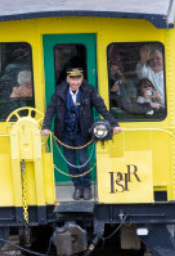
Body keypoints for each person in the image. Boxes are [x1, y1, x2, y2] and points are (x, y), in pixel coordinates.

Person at [41, 68, 121, 201]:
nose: (75, 82)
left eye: (78, 79)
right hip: (65, 133)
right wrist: (45, 127)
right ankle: (77, 187)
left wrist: (114, 124)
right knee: (71, 162)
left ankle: (86, 186)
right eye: (72, 79)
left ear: (82, 79)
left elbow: (101, 108)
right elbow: (50, 110)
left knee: (84, 161)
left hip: (82, 133)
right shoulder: (59, 92)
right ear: (68, 80)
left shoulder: (89, 91)